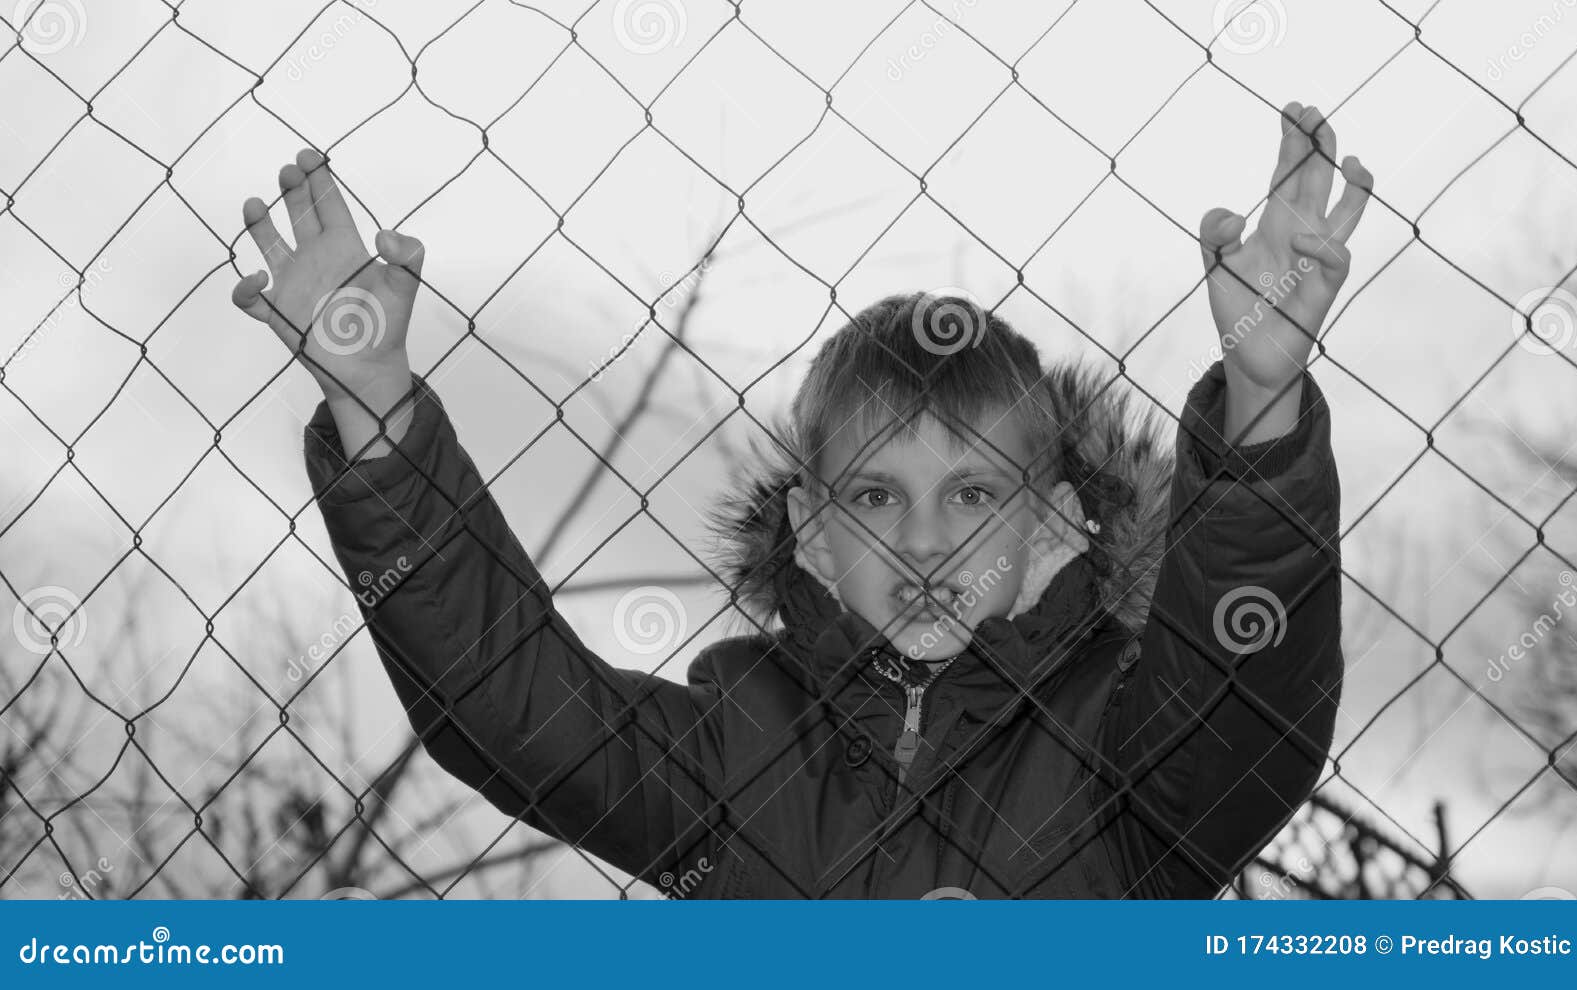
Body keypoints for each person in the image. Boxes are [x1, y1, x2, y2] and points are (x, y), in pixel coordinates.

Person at [232, 102, 1372, 898]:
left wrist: (1262, 399)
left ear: (1056, 531)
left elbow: (1246, 705)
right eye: (875, 496)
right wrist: (376, 413)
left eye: (974, 492)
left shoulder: (1125, 753)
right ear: (816, 544)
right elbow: (512, 707)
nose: (924, 537)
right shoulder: (739, 747)